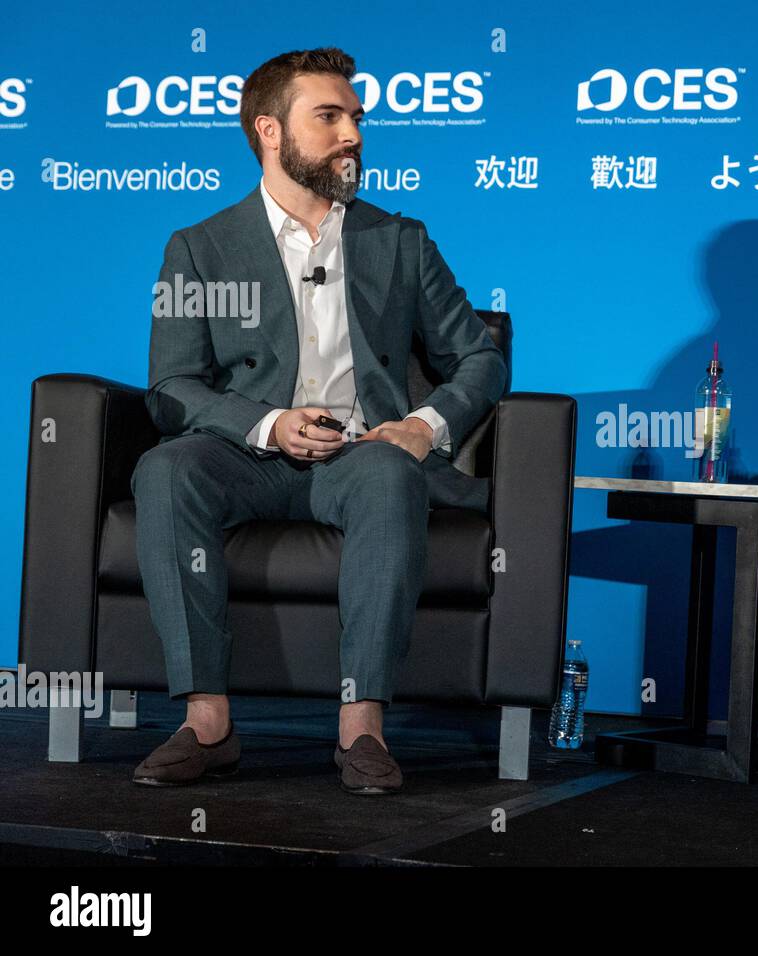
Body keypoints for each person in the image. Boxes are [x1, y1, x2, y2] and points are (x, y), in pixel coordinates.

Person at [130, 47, 506, 794]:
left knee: (390, 477)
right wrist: (266, 423)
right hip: (247, 455)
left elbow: (482, 358)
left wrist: (425, 425)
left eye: (356, 118)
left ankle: (360, 730)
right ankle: (208, 723)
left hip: (362, 452)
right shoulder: (199, 249)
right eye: (328, 117)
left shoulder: (398, 241)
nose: (353, 135)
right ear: (270, 131)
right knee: (164, 468)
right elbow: (172, 386)